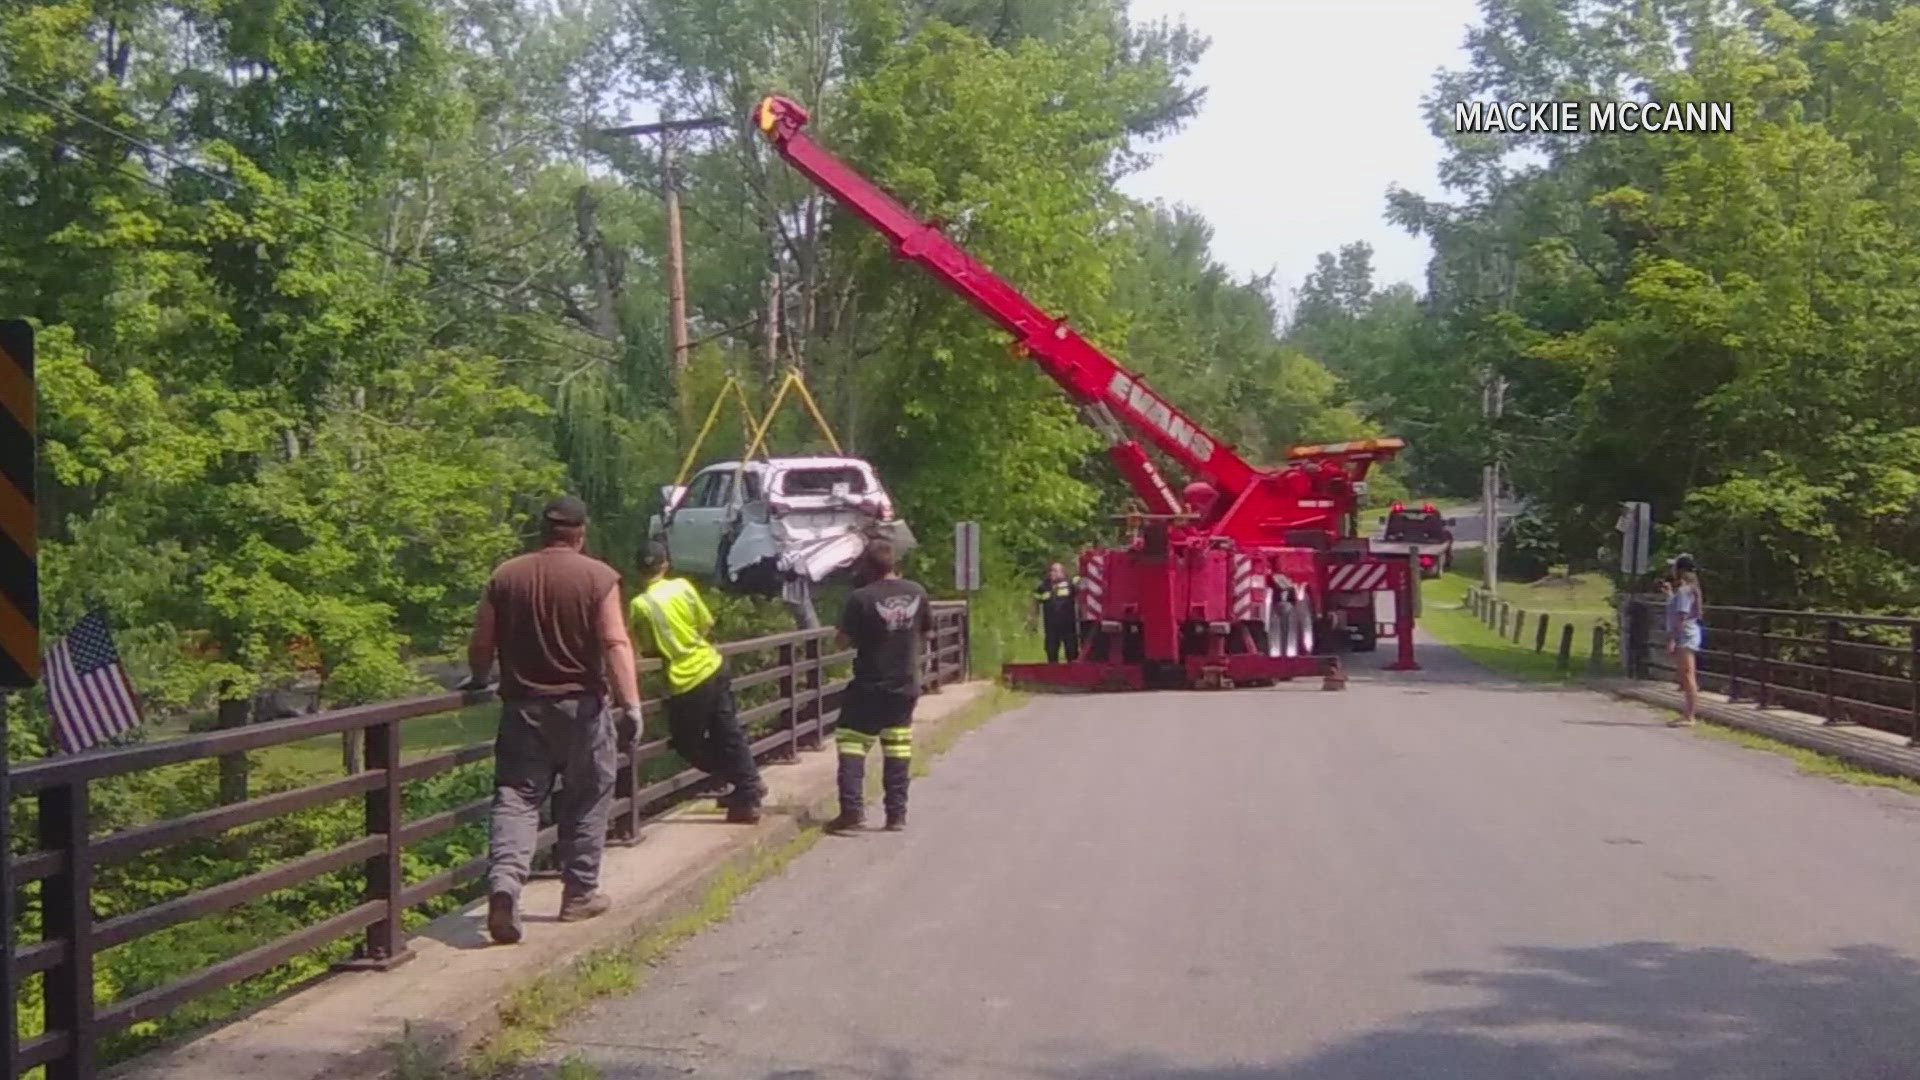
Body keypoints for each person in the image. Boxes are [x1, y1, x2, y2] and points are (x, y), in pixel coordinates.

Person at [464, 495, 642, 945]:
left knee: (517, 798)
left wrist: (479, 678)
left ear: (541, 532)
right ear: (580, 534)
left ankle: (505, 884)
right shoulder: (598, 577)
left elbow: (482, 642)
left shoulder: (505, 576)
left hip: (522, 708)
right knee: (586, 795)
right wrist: (632, 704)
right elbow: (615, 642)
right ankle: (579, 894)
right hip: (582, 708)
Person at [629, 541, 766, 824]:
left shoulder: (640, 605)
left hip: (687, 678)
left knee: (686, 743)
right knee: (727, 732)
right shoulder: (683, 586)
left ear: (639, 571)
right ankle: (747, 788)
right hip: (713, 664)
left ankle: (745, 782)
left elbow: (645, 646)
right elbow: (705, 624)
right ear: (665, 564)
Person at [827, 537, 930, 833]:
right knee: (897, 746)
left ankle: (852, 812)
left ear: (866, 566)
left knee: (851, 742)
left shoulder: (860, 598)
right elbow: (925, 631)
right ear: (894, 563)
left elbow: (842, 641)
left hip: (870, 684)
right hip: (906, 684)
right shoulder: (917, 592)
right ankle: (896, 815)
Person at [1665, 553, 1705, 727]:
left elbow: (1681, 616)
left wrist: (1673, 639)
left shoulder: (1684, 590)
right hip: (1689, 632)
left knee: (1688, 675)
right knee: (1684, 674)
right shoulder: (1688, 589)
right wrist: (1669, 595)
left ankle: (1690, 715)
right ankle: (1688, 713)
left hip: (1685, 634)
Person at [1031, 562, 1081, 664]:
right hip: (1051, 626)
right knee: (1051, 649)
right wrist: (1033, 617)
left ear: (1063, 573)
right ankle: (1052, 672)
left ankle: (1072, 672)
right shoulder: (1043, 587)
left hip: (1068, 624)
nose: (1052, 573)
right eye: (1051, 570)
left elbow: (1081, 596)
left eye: (1055, 570)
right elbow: (1035, 602)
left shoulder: (1070, 585)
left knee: (1071, 649)